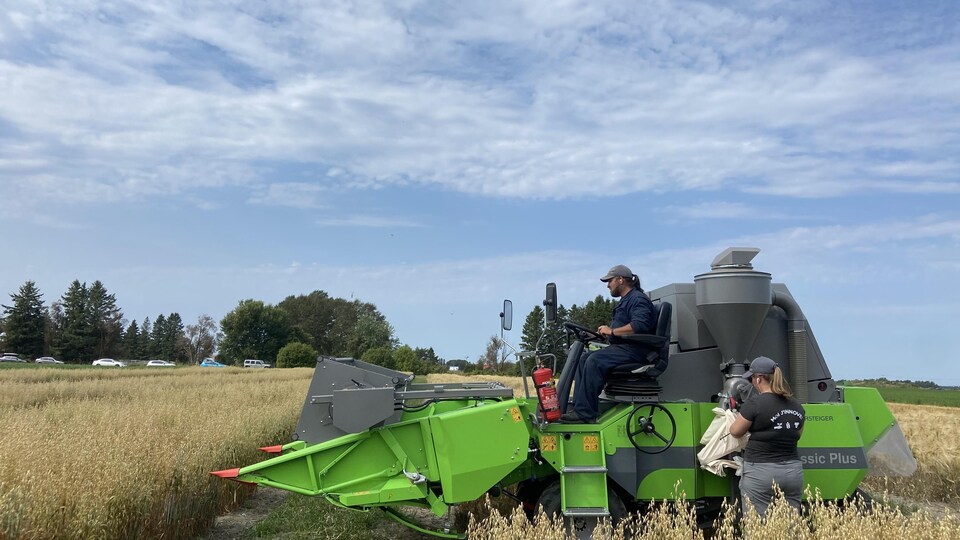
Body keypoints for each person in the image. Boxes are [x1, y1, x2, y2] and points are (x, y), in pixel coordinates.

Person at [559, 264, 657, 424]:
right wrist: (602, 334)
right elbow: (622, 330)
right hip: (623, 348)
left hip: (636, 351)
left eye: (610, 281)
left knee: (594, 360)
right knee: (583, 358)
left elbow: (639, 326)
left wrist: (611, 331)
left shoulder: (637, 299)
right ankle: (579, 409)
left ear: (620, 280)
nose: (608, 285)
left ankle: (585, 414)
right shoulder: (626, 300)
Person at [730, 356, 806, 518]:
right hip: (793, 472)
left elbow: (735, 431)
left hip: (761, 472)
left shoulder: (755, 403)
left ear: (758, 378)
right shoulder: (796, 405)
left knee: (758, 524)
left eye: (751, 378)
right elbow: (797, 434)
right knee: (791, 524)